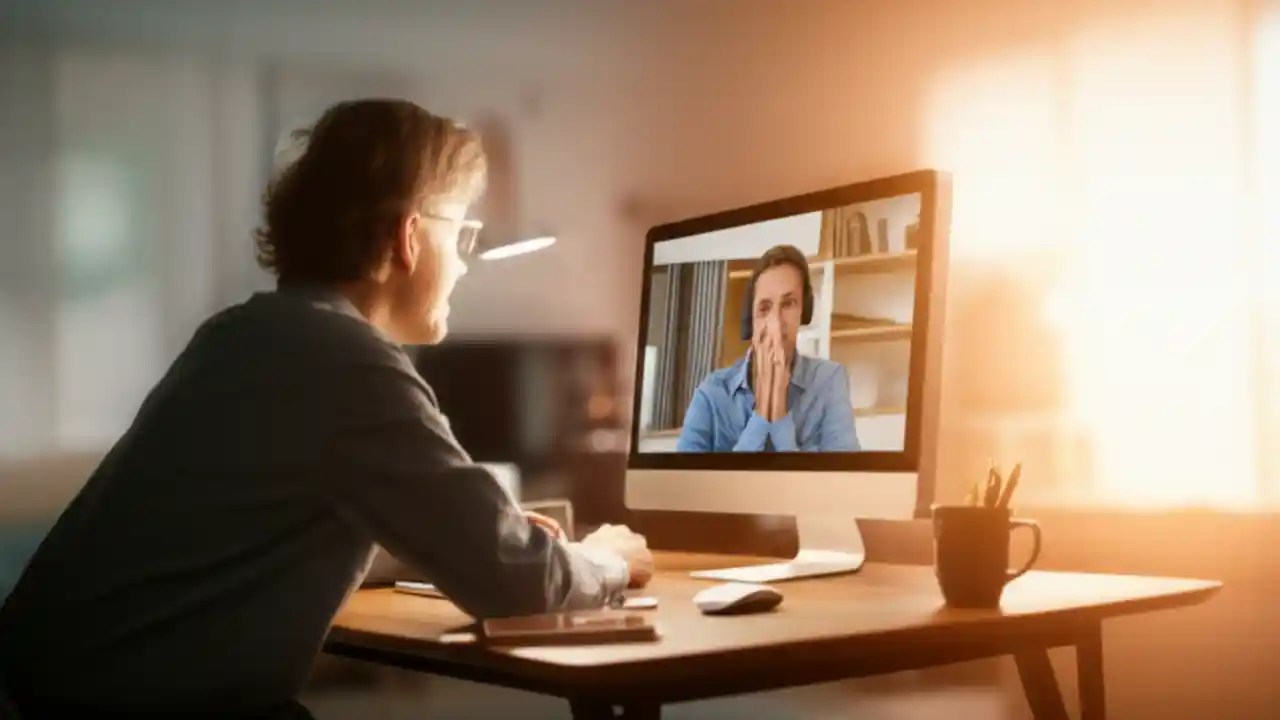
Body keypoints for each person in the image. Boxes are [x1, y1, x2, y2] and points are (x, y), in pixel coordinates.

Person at [0, 99, 652, 719]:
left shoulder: (239, 335)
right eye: (464, 233)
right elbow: (515, 584)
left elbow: (277, 522)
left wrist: (465, 535)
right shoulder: (351, 363)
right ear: (409, 236)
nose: (464, 263)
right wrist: (610, 560)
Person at [675, 244, 860, 452]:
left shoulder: (830, 381)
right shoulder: (711, 394)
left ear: (804, 311)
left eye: (788, 304)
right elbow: (685, 483)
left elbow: (843, 482)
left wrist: (779, 414)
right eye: (764, 308)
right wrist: (762, 414)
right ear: (750, 319)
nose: (776, 322)